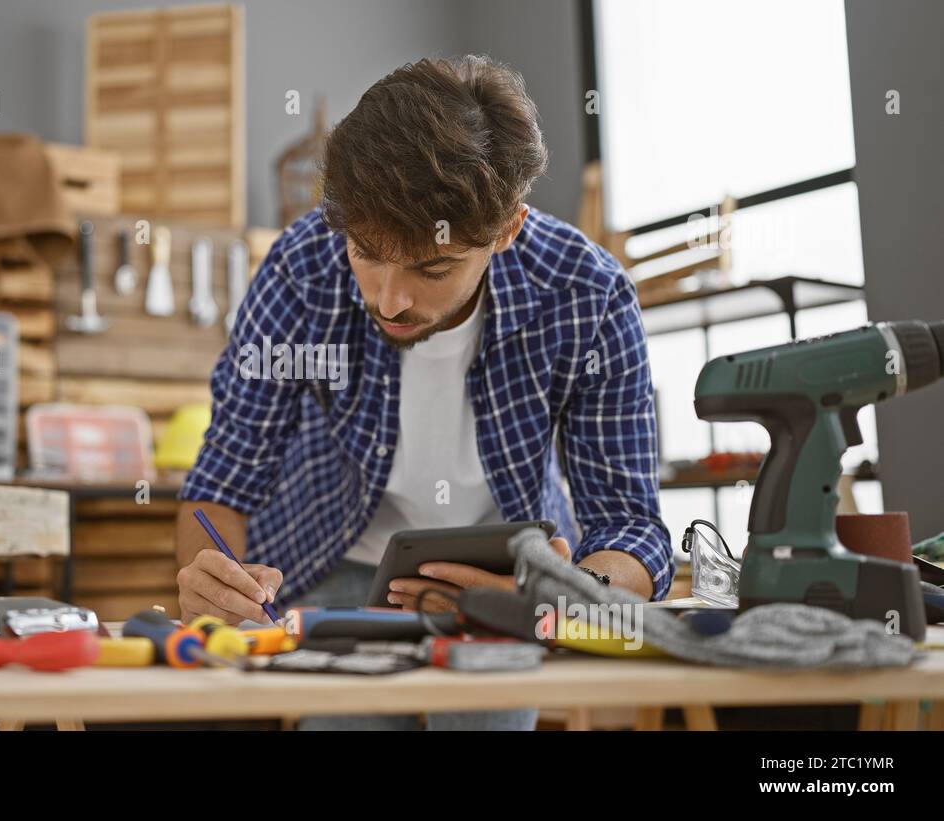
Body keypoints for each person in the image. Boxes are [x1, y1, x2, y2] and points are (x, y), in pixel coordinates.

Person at [174, 55, 672, 730]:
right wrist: (214, 579)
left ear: (506, 230)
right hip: (336, 558)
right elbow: (222, 483)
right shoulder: (300, 268)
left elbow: (632, 527)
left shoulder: (587, 295)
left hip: (507, 579)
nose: (389, 298)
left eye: (432, 267)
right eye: (366, 252)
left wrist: (566, 594)